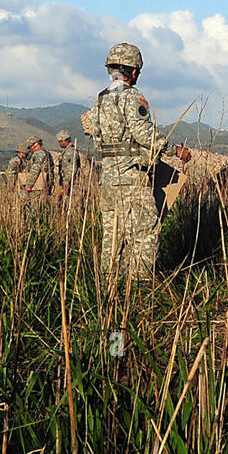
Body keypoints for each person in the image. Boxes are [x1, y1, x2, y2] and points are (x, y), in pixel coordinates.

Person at [83, 42, 191, 284]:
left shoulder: (101, 99)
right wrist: (175, 150)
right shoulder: (131, 97)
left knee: (112, 236)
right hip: (131, 177)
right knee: (145, 232)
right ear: (133, 71)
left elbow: (98, 136)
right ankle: (140, 287)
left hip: (109, 179)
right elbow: (143, 132)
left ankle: (110, 286)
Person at [21, 135, 52, 201]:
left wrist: (29, 185)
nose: (30, 149)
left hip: (37, 186)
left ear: (35, 145)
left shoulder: (38, 154)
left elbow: (35, 170)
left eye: (30, 147)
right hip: (46, 184)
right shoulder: (46, 153)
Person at [55, 129, 82, 198]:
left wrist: (66, 184)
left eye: (60, 141)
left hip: (70, 184)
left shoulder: (69, 152)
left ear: (65, 140)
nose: (59, 143)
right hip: (68, 183)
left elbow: (71, 169)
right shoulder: (68, 151)